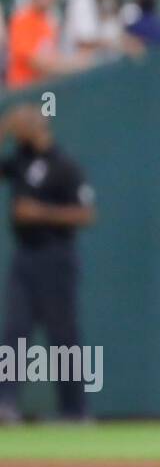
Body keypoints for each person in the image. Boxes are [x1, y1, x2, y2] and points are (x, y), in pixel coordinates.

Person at [0, 105, 96, 424]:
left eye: (25, 121)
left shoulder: (64, 164)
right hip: (24, 255)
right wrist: (3, 129)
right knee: (15, 331)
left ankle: (75, 411)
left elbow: (86, 213)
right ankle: (5, 405)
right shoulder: (21, 159)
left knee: (62, 335)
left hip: (56, 255)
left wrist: (40, 212)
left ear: (41, 125)